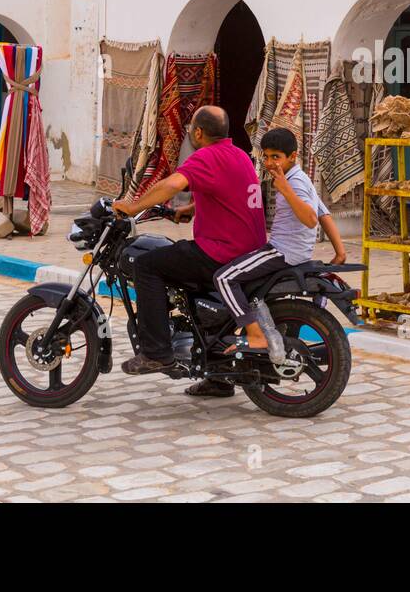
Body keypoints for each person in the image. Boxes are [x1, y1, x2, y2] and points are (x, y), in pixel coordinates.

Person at [193, 126, 348, 397]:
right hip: (295, 252)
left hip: (283, 252)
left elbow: (311, 218)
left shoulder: (294, 182)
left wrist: (286, 189)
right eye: (265, 157)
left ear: (292, 157)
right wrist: (341, 251)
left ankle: (255, 334)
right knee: (243, 278)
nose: (269, 163)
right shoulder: (301, 177)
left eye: (276, 157)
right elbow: (324, 212)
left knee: (224, 277)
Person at [112, 105, 265, 375]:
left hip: (222, 252)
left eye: (189, 129)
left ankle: (156, 353)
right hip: (249, 251)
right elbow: (230, 193)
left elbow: (172, 185)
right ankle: (218, 378)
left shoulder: (206, 156)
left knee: (148, 265)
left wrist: (133, 206)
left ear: (198, 132)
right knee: (183, 272)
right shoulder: (239, 155)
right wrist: (192, 209)